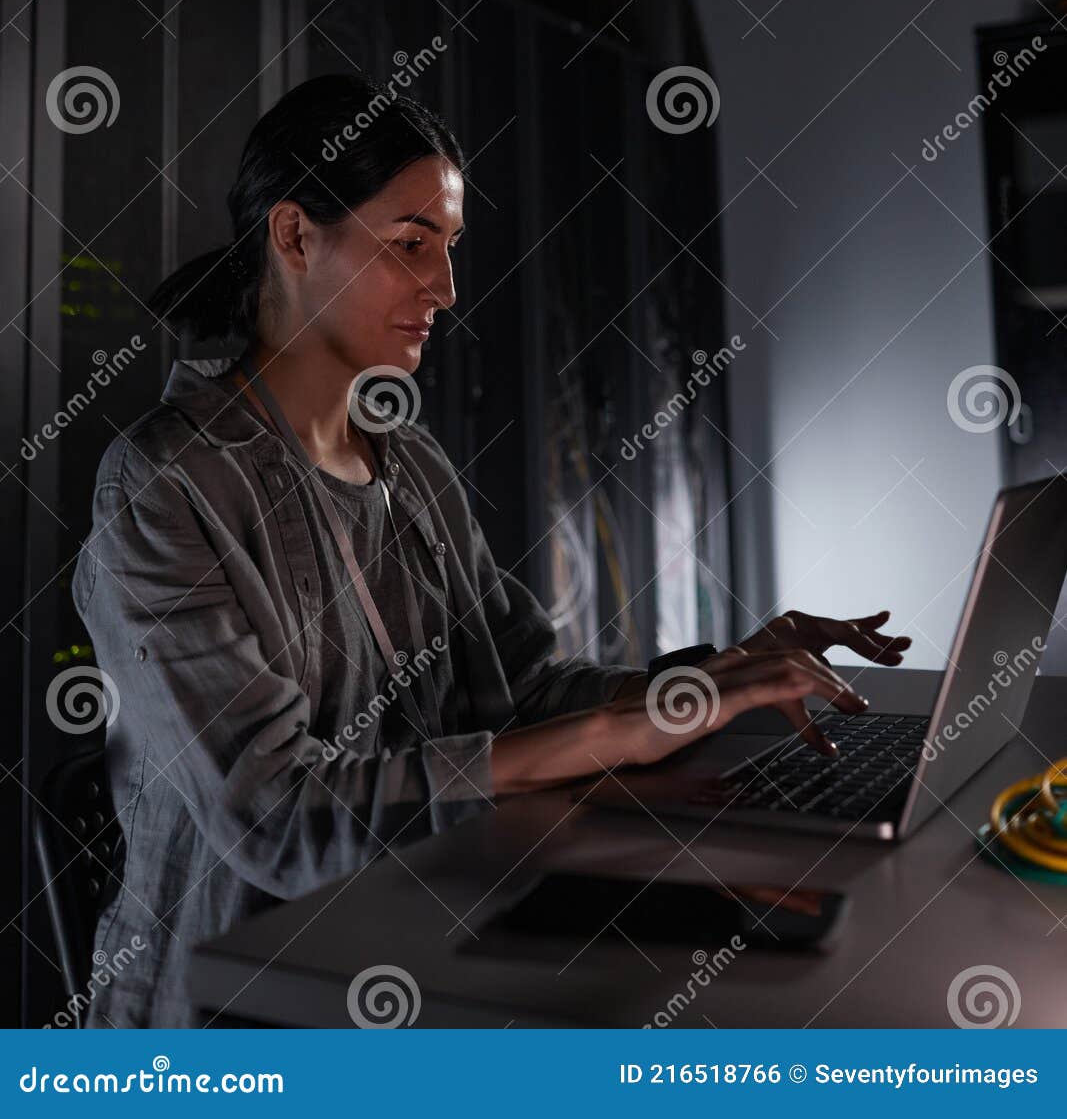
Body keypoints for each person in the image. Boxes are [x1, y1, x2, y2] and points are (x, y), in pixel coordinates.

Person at [71, 71, 909, 1028]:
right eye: (409, 244)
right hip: (239, 1017)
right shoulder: (166, 483)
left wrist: (709, 682)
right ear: (296, 237)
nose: (445, 288)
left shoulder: (410, 460)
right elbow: (276, 820)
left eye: (450, 246)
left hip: (424, 949)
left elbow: (522, 690)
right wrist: (608, 735)